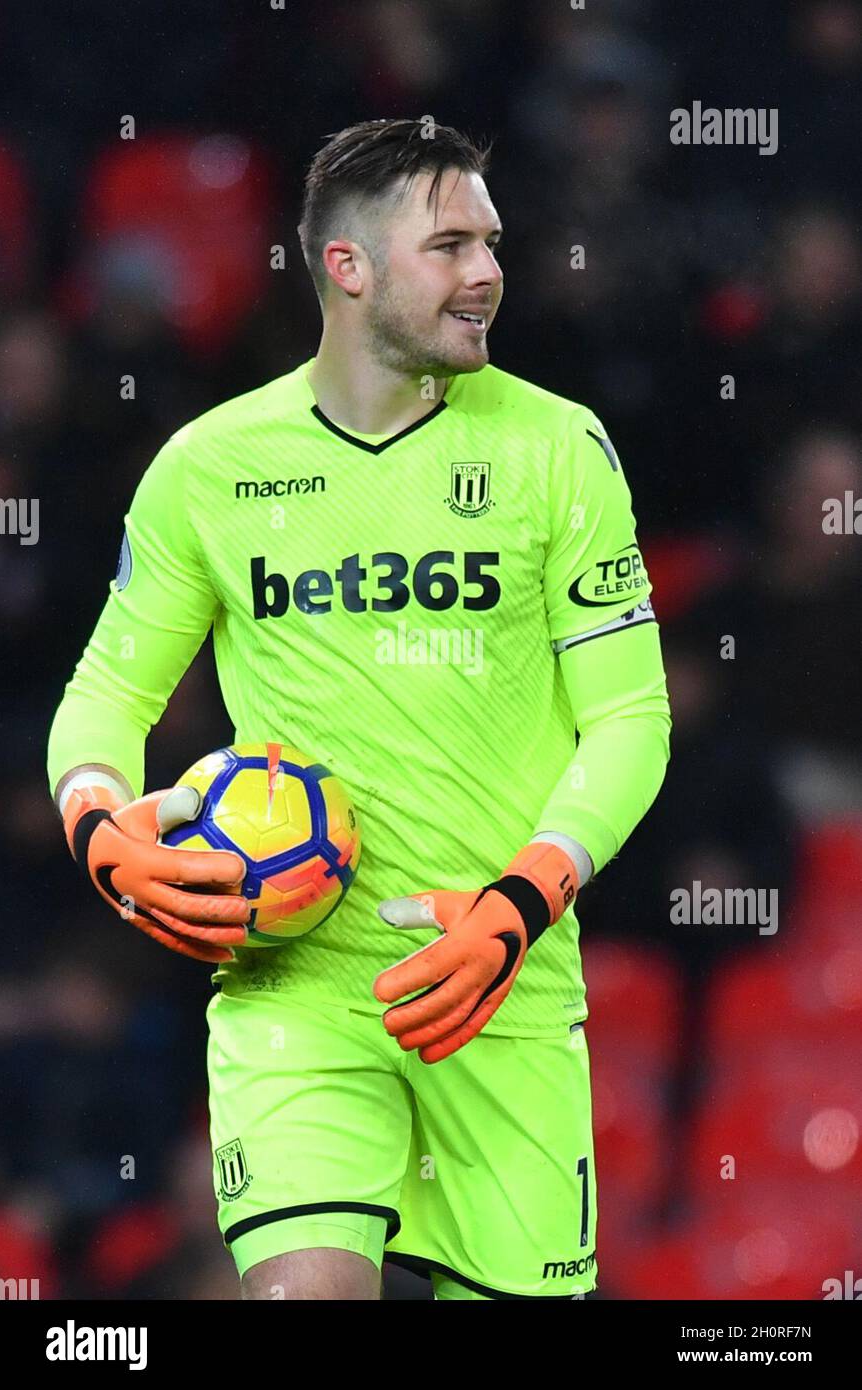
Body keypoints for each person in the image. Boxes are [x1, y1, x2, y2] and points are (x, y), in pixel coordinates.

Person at [47, 118, 671, 1301]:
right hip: (297, 993)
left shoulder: (559, 450)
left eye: (491, 242)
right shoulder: (208, 467)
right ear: (348, 267)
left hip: (502, 986)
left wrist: (517, 902)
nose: (487, 272)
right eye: (449, 246)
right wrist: (100, 828)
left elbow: (631, 719)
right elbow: (104, 697)